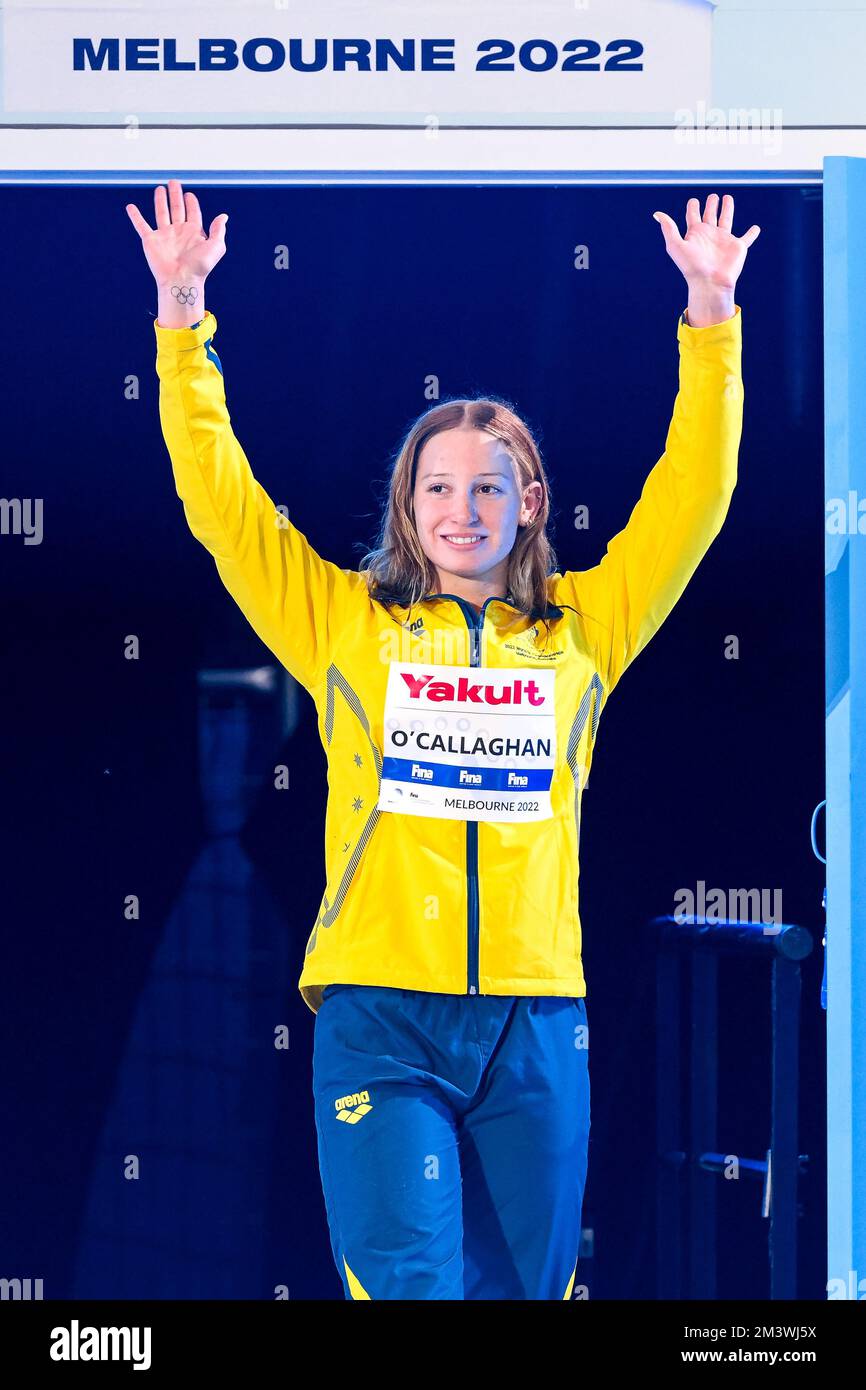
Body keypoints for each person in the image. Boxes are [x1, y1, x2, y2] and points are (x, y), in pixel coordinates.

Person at [126, 179, 760, 1300]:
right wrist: (184, 321)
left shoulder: (584, 629)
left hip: (532, 1015)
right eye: (436, 487)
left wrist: (709, 318)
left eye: (486, 486)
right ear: (405, 507)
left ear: (529, 500)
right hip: (379, 1015)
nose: (460, 508)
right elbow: (222, 504)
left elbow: (693, 501)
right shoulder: (341, 623)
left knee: (533, 1294)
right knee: (410, 1289)